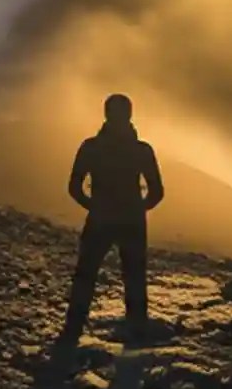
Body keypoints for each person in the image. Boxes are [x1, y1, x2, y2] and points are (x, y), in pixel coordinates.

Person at [63, 94, 164, 342]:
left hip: (100, 219)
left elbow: (74, 187)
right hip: (131, 222)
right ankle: (137, 330)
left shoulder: (91, 147)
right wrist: (137, 208)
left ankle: (73, 328)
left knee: (87, 273)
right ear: (130, 115)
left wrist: (93, 206)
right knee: (134, 277)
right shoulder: (141, 150)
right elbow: (157, 192)